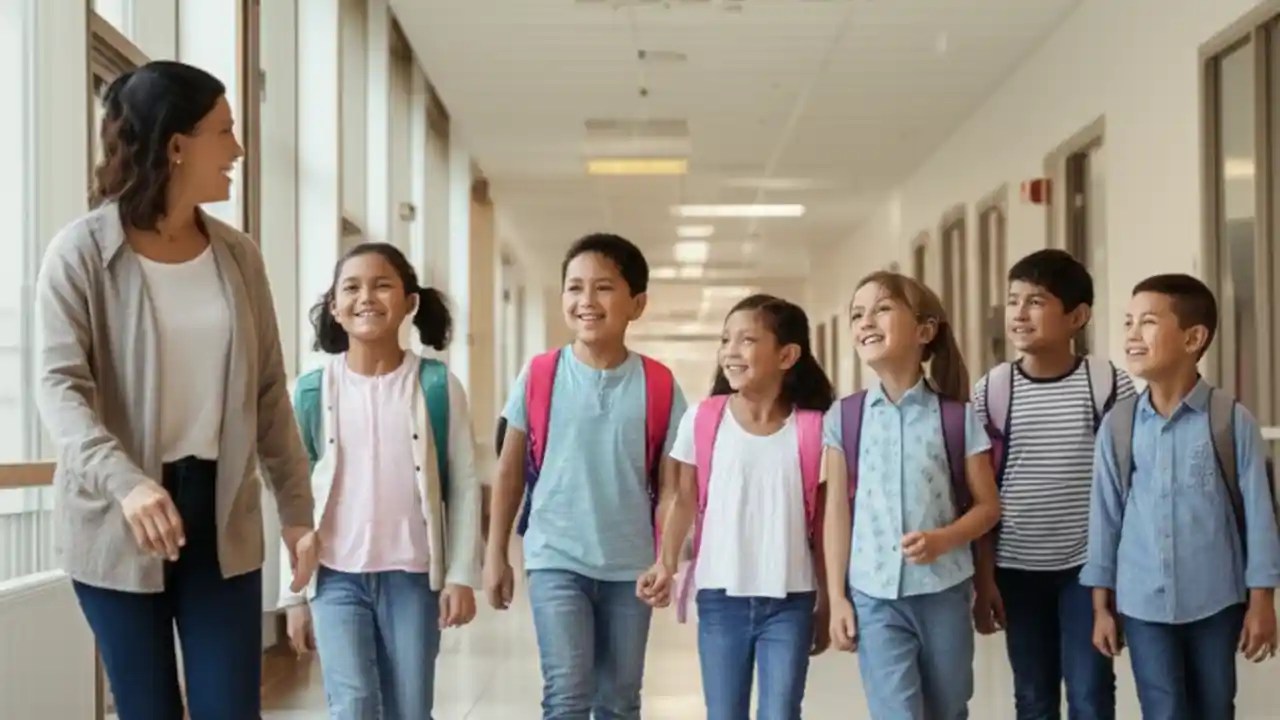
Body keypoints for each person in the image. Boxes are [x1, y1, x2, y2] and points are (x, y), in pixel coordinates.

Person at [34, 60, 317, 720]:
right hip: (117, 516)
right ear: (177, 144)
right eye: (226, 131)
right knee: (149, 707)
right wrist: (125, 482)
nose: (239, 150)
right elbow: (59, 387)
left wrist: (297, 510)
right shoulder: (80, 253)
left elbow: (270, 393)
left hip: (221, 515)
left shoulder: (238, 257)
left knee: (229, 707)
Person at [484, 233, 687, 720]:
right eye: (574, 288)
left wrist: (667, 560)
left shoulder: (659, 384)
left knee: (619, 701)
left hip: (630, 566)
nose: (586, 301)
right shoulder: (539, 375)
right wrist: (495, 555)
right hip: (556, 558)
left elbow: (673, 488)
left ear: (636, 303)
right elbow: (509, 471)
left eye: (603, 288)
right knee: (567, 694)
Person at [279, 242, 481, 718]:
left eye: (382, 284)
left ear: (409, 302)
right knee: (352, 707)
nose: (366, 297)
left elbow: (465, 487)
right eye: (351, 287)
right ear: (335, 307)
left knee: (409, 709)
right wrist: (292, 596)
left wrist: (460, 577)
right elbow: (288, 498)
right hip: (334, 578)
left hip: (412, 577)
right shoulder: (310, 392)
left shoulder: (436, 385)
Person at [1082, 274, 1280, 719]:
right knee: (1163, 710)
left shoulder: (1232, 421)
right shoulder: (1118, 426)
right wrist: (1100, 606)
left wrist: (1263, 603)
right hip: (1142, 604)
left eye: (1148, 322)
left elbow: (1261, 517)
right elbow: (1105, 519)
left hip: (1216, 602)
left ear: (1193, 338)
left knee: (1215, 707)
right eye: (1129, 322)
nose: (1132, 334)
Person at [637, 294, 835, 720]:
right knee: (724, 713)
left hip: (791, 598)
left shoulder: (814, 429)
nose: (730, 350)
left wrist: (830, 598)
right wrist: (665, 563)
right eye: (726, 339)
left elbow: (824, 524)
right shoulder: (704, 418)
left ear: (787, 355)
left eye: (747, 340)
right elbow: (683, 497)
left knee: (781, 712)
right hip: (720, 596)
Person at [822, 271, 1001, 720]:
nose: (866, 321)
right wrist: (837, 597)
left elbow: (988, 507)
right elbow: (837, 514)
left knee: (948, 707)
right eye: (857, 313)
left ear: (925, 331)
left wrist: (945, 539)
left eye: (882, 308)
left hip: (944, 592)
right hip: (874, 595)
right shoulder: (844, 417)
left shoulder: (958, 418)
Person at [971, 249, 1134, 719]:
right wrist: (985, 579)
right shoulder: (994, 390)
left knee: (1091, 692)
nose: (1020, 313)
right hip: (1016, 569)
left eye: (1037, 301)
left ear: (1077, 316)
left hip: (1087, 568)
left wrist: (1116, 577)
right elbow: (979, 492)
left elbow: (1126, 486)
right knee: (1034, 696)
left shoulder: (1106, 385)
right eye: (1013, 300)